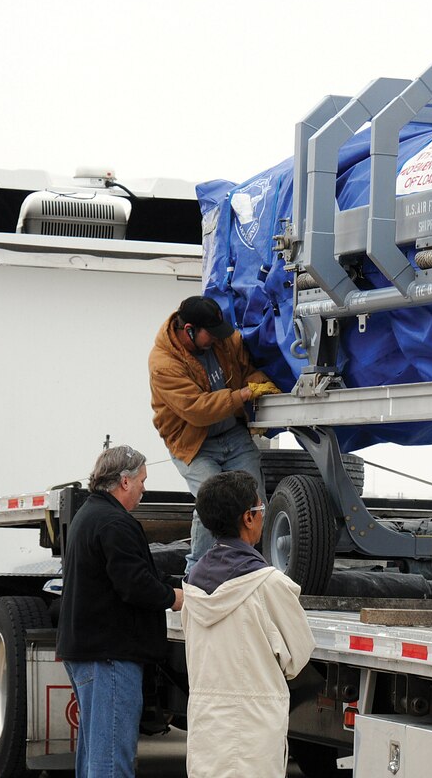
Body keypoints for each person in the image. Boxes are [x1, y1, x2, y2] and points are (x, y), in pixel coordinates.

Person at [56, 446, 184, 777]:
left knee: (95, 755)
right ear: (124, 481)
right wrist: (175, 597)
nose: (144, 487)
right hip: (110, 656)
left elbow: (134, 573)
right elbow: (135, 584)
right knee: (111, 759)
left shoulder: (90, 515)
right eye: (141, 480)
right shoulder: (114, 521)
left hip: (92, 652)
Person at [182, 470, 314, 778]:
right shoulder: (267, 584)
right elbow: (299, 655)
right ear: (248, 518)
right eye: (261, 509)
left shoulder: (193, 584)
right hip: (253, 730)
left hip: (206, 728)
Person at [149, 295, 281, 572]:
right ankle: (195, 572)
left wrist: (263, 386)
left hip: (232, 434)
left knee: (255, 501)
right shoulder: (164, 363)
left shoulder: (223, 340)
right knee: (211, 503)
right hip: (193, 443)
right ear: (189, 331)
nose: (218, 339)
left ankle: (259, 568)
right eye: (212, 334)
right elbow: (197, 410)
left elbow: (246, 370)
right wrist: (244, 394)